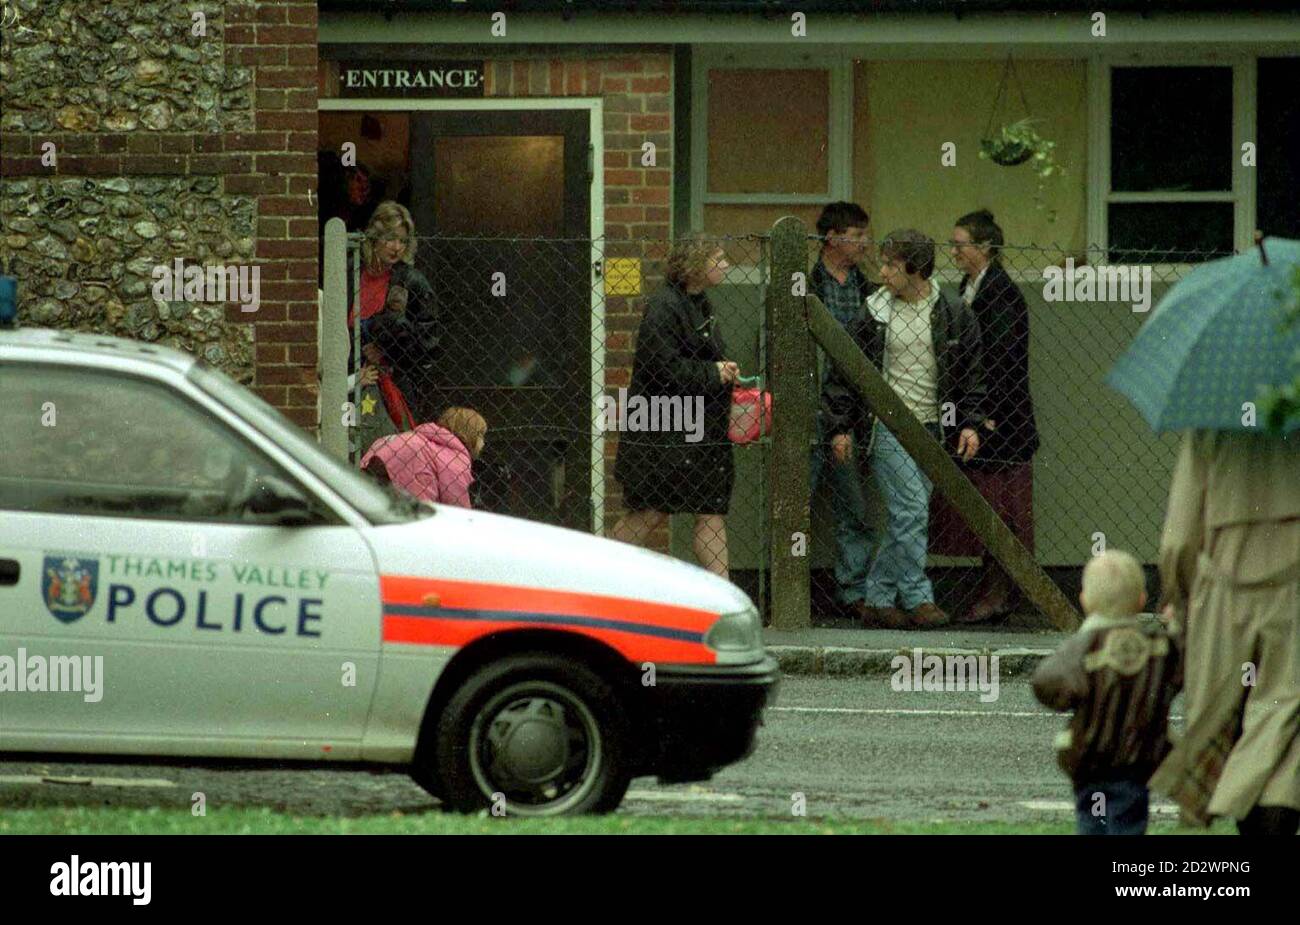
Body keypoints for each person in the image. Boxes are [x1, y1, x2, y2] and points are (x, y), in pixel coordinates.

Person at [823, 229, 988, 627]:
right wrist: (840, 426)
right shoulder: (872, 312)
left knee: (908, 515)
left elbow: (971, 373)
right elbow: (843, 373)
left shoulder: (950, 311)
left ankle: (878, 597)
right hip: (887, 425)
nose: (881, 273)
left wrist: (968, 422)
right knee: (912, 509)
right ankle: (918, 597)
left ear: (914, 268)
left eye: (890, 265)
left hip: (934, 425)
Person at [1149, 430, 1300, 836]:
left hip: (1224, 589)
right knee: (1283, 716)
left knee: (1221, 718)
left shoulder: (1211, 419)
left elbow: (1179, 539)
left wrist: (1180, 600)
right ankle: (1275, 815)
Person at [935, 209, 1041, 623]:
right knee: (989, 510)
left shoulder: (1002, 295)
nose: (954, 252)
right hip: (985, 416)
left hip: (1002, 422)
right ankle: (995, 589)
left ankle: (1000, 592)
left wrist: (987, 417)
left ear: (984, 248)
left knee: (1003, 511)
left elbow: (1003, 362)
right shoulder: (971, 286)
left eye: (959, 244)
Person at [612, 236, 739, 578]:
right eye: (718, 257)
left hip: (699, 429)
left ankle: (723, 592)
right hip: (662, 426)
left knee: (709, 510)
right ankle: (597, 574)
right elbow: (661, 368)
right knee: (650, 511)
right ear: (696, 265)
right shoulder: (664, 306)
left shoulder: (701, 304)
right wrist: (712, 372)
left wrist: (721, 370)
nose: (725, 264)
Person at [1032, 550, 1182, 836]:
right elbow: (1183, 664)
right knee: (1128, 822)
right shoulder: (1157, 648)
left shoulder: (1080, 648)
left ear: (1085, 601)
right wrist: (1176, 624)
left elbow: (1045, 680)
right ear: (1141, 600)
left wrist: (1071, 696)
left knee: (1090, 821)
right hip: (1136, 758)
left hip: (1088, 759)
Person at [809, 202, 881, 622]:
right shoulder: (802, 285)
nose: (864, 244)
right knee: (792, 506)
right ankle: (788, 592)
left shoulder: (868, 291)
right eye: (856, 236)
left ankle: (852, 590)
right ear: (833, 238)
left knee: (853, 505)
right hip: (803, 412)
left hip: (849, 416)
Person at [346, 201, 438, 452]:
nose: (397, 247)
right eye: (390, 238)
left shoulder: (413, 282)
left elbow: (428, 346)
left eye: (403, 241)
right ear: (374, 237)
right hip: (349, 381)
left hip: (394, 384)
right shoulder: (350, 272)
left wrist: (389, 351)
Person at [361, 406, 487, 509]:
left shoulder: (421, 438)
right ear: (470, 434)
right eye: (481, 435)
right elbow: (456, 501)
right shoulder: (456, 458)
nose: (483, 443)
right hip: (410, 494)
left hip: (373, 470)